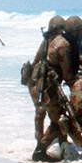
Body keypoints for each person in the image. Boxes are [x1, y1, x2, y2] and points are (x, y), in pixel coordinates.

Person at [33, 15, 82, 161]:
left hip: (45, 85)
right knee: (59, 120)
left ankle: (60, 146)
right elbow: (68, 75)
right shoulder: (64, 45)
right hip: (49, 88)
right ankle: (40, 151)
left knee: (58, 118)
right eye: (80, 30)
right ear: (74, 31)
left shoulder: (56, 41)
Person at [27, 15, 64, 145]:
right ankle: (46, 144)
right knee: (56, 116)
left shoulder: (46, 42)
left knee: (40, 112)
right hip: (42, 82)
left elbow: (36, 60)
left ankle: (41, 141)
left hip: (35, 81)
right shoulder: (55, 44)